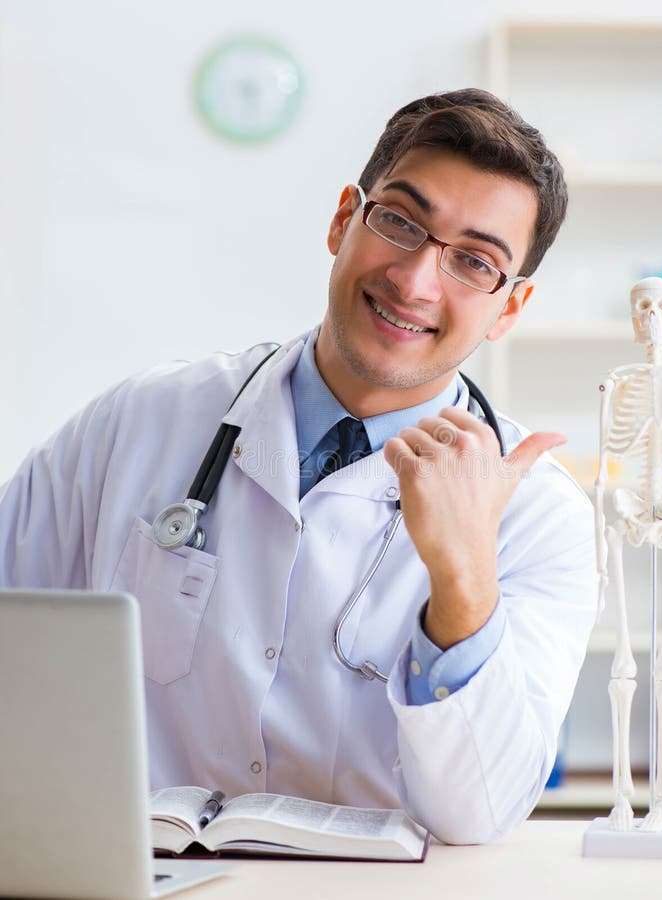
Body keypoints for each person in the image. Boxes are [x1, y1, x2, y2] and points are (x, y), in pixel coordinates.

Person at [0, 88, 595, 844]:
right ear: (344, 219)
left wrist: (464, 575)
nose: (415, 281)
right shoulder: (139, 420)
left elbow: (480, 812)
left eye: (474, 262)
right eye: (400, 222)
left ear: (509, 308)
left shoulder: (539, 514)